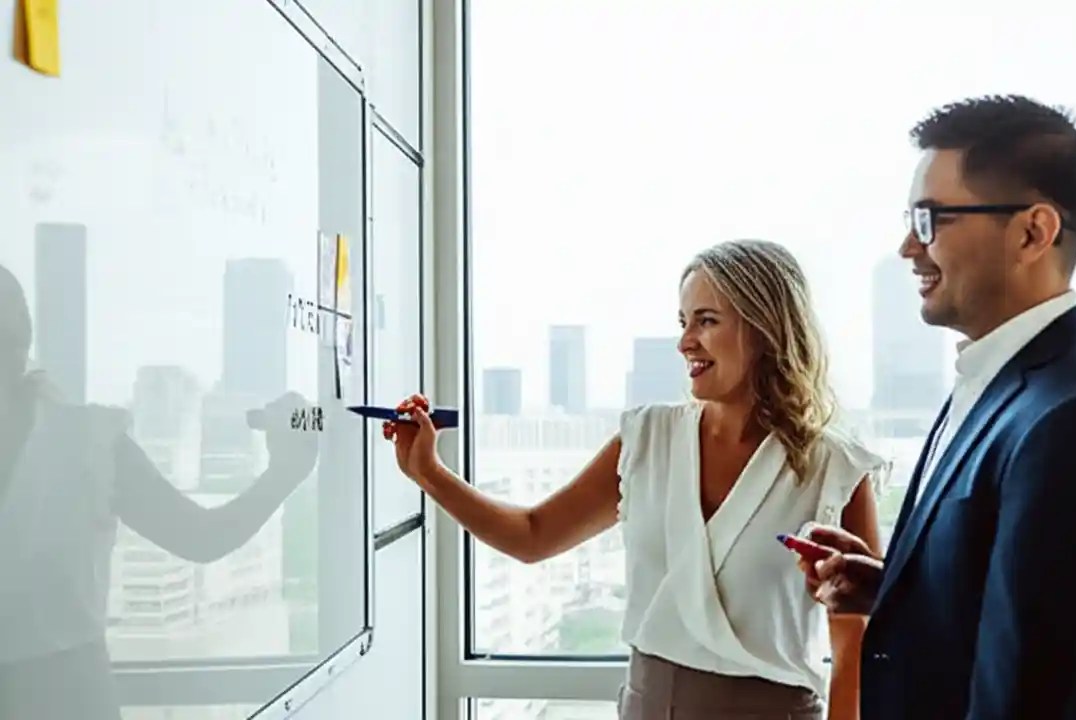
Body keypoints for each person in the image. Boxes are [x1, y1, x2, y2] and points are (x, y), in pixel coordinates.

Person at [387, 239, 888, 720]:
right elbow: (532, 535)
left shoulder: (834, 469)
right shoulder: (647, 438)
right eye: (683, 321)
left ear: (764, 329)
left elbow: (856, 649)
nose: (684, 341)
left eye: (706, 321)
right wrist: (429, 473)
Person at [800, 95, 1076, 719]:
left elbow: (1032, 700)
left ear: (1033, 231)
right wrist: (893, 588)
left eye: (930, 220)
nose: (907, 248)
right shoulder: (996, 383)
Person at [0, 264, 320, 720]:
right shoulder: (85, 443)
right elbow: (201, 537)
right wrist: (286, 472)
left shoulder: (87, 443)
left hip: (67, 702)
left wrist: (285, 473)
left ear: (16, 344)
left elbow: (200, 537)